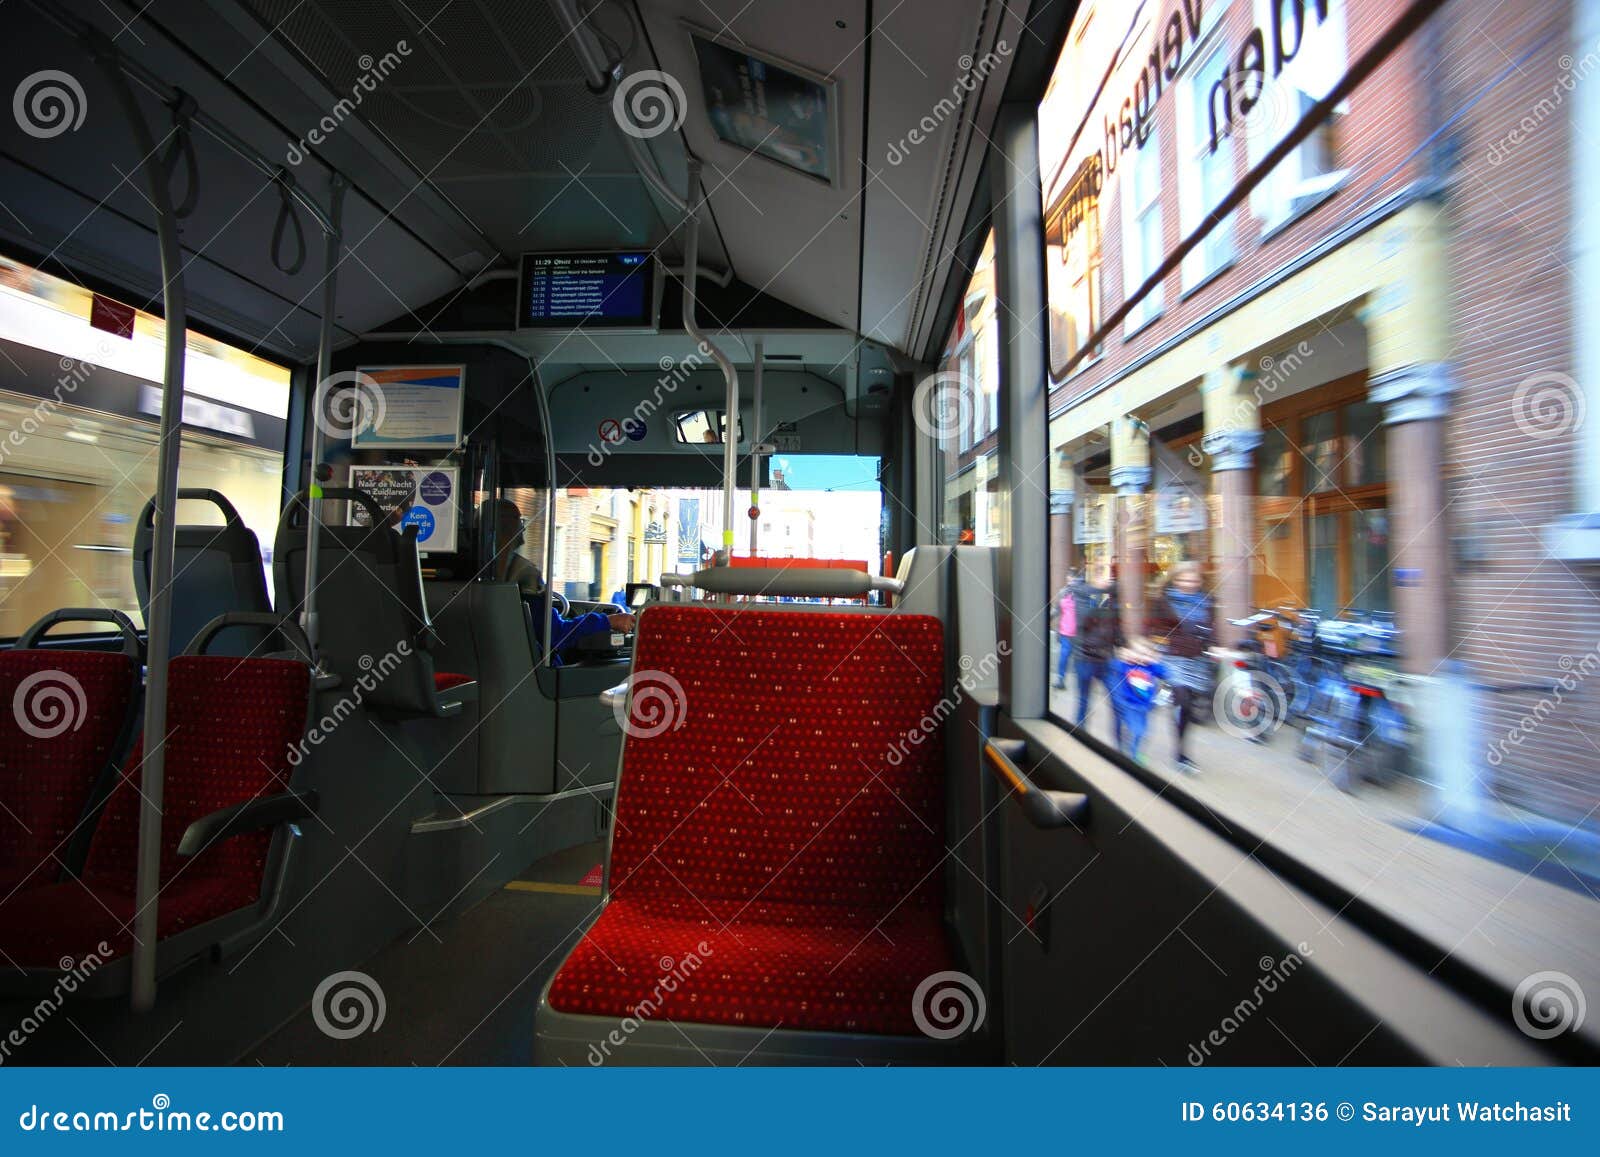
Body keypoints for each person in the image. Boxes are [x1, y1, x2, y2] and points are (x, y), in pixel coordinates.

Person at [481, 499, 634, 660]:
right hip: (535, 671)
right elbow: (555, 635)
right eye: (520, 522)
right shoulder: (524, 574)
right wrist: (608, 621)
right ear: (512, 530)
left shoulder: (473, 572)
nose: (523, 528)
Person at [1154, 561, 1214, 772]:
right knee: (1183, 701)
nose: (1190, 583)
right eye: (1185, 579)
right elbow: (1156, 628)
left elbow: (1212, 627)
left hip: (1197, 659)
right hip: (1173, 657)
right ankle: (1181, 753)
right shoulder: (1163, 601)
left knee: (1190, 709)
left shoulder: (1207, 601)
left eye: (1194, 580)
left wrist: (1212, 644)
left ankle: (1181, 743)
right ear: (1175, 580)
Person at [1072, 561, 1123, 728]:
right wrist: (1102, 594)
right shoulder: (1081, 593)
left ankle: (1121, 743)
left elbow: (1115, 624)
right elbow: (1085, 620)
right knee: (1084, 700)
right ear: (1096, 576)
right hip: (1085, 656)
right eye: (1107, 576)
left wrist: (1121, 644)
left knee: (1117, 699)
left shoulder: (1109, 596)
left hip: (1106, 657)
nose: (1110, 580)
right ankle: (1080, 732)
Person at [1109, 638, 1166, 762]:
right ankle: (1133, 756)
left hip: (1145, 707)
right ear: (1130, 652)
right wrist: (1123, 656)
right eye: (1138, 653)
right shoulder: (1126, 665)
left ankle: (1133, 749)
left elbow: (1165, 673)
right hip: (1130, 705)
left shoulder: (1151, 667)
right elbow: (1113, 665)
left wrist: (1155, 660)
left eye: (1145, 654)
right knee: (1137, 731)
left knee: (1145, 733)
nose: (1142, 657)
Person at [1050, 574, 1078, 689]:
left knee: (1077, 659)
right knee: (1064, 656)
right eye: (1069, 579)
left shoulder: (1081, 593)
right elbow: (1056, 609)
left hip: (1078, 633)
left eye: (1072, 579)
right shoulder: (1063, 593)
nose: (1070, 581)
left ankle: (1080, 683)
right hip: (1065, 632)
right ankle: (1061, 680)